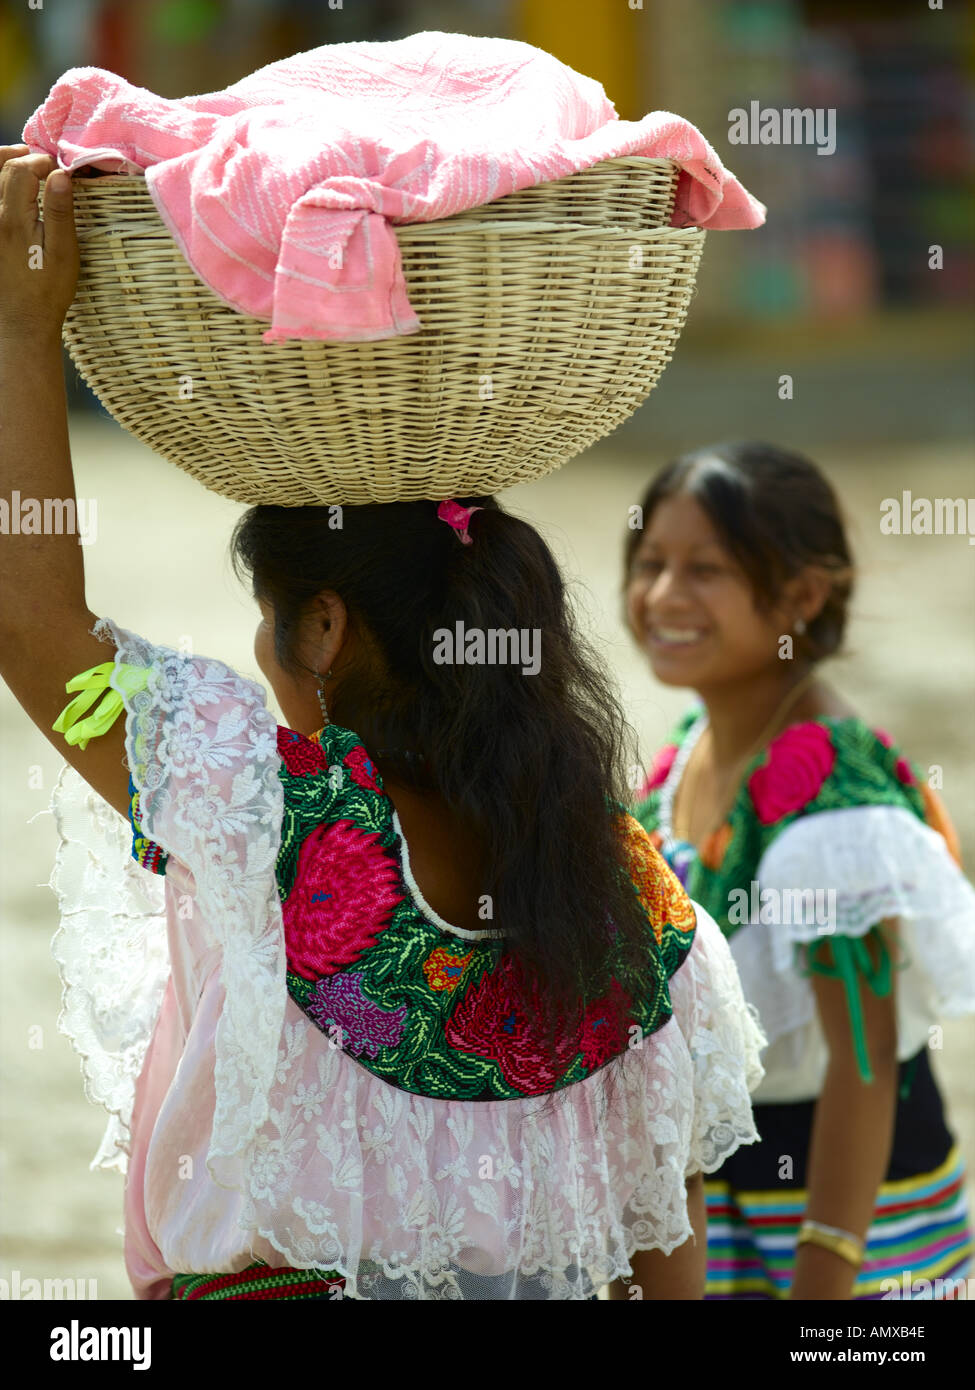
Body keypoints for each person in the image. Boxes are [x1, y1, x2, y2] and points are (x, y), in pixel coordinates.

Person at [0, 145, 766, 1300]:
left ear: (323, 628)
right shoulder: (633, 905)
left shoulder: (268, 815)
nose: (259, 655)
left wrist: (20, 335)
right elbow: (658, 1270)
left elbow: (31, 627)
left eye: (266, 622)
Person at [624, 440, 975, 1300]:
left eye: (704, 569)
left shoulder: (835, 812)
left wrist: (826, 1271)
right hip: (726, 1201)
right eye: (650, 563)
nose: (664, 595)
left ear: (801, 595)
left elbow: (863, 1065)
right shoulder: (684, 757)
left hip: (843, 1209)